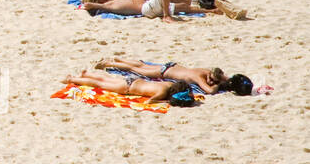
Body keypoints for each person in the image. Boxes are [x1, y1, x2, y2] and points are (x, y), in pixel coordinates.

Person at [92, 58, 253, 95]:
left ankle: (116, 60)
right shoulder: (199, 78)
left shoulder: (204, 71)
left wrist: (224, 80)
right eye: (210, 79)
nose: (210, 81)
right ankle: (109, 63)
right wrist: (217, 85)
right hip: (163, 72)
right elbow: (209, 91)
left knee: (140, 65)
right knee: (137, 69)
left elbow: (220, 77)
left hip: (170, 66)